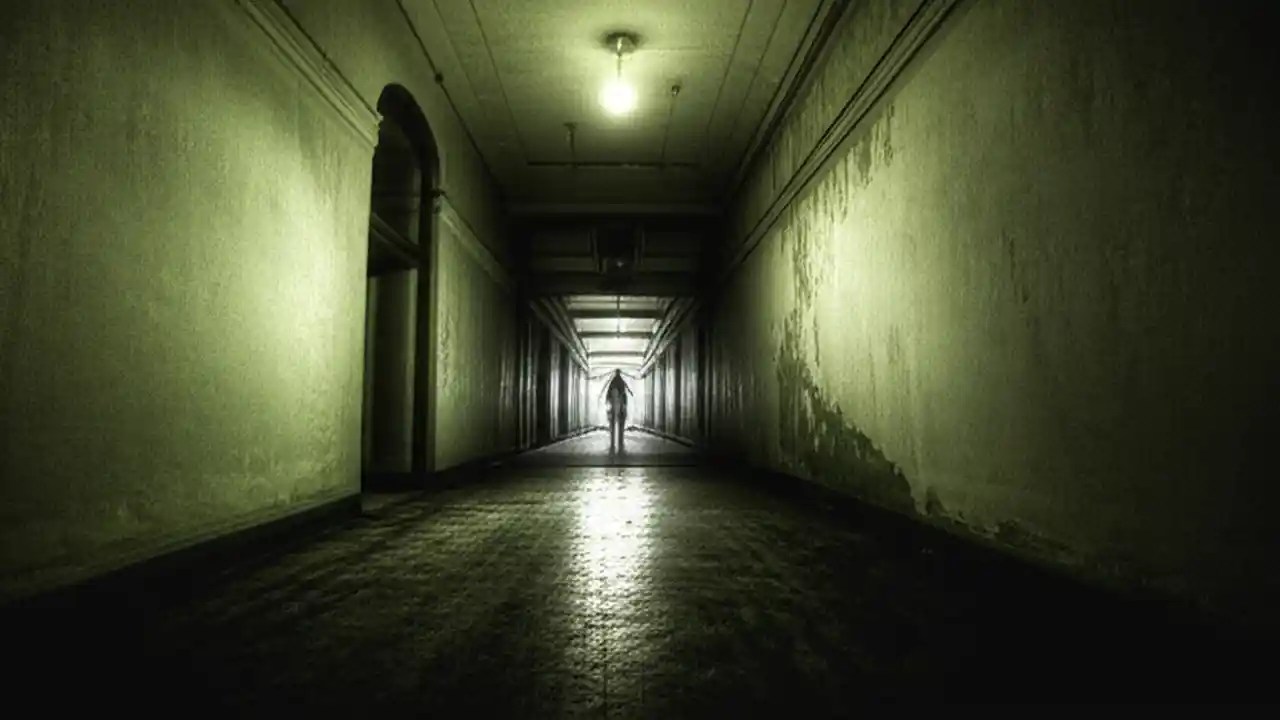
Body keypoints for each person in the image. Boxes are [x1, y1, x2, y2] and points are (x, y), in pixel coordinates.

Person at [600, 369, 634, 453]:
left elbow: (608, 395)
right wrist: (624, 405)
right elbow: (625, 394)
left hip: (614, 408)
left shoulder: (612, 383)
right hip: (621, 407)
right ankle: (620, 443)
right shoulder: (621, 383)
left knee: (612, 426)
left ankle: (613, 443)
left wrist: (608, 402)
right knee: (620, 426)